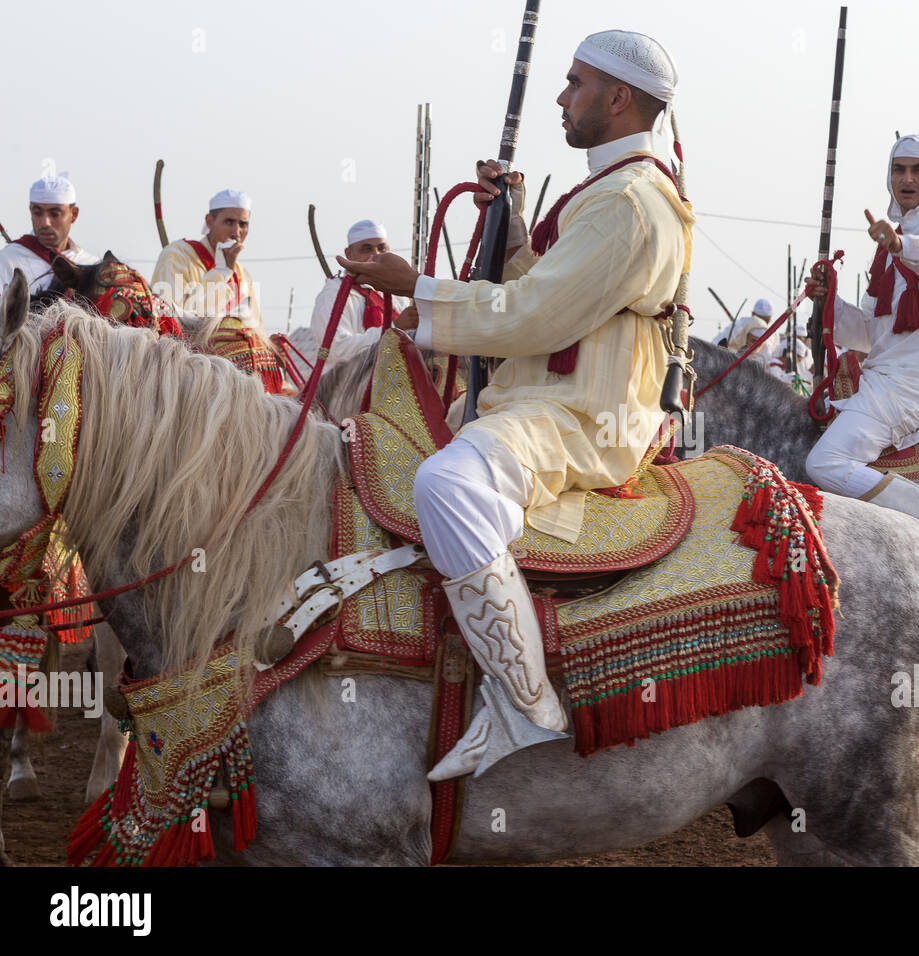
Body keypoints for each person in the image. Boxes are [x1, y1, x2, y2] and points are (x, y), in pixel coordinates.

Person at [337, 30, 693, 781]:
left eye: (574, 84)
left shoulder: (629, 202)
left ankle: (524, 701)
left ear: (618, 97)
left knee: (446, 483)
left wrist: (416, 286)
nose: (562, 98)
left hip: (582, 416)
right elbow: (546, 286)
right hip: (540, 399)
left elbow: (536, 315)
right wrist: (513, 222)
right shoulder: (605, 193)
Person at [802, 134, 919, 537]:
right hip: (883, 378)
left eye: (918, 169)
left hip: (917, 384)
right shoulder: (886, 246)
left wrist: (901, 244)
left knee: (823, 463)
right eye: (899, 169)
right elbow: (867, 335)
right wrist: (831, 302)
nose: (907, 178)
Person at [151, 189, 281, 392]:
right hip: (188, 377)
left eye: (243, 224)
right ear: (210, 221)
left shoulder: (243, 275)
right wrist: (221, 271)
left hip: (239, 380)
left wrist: (270, 349)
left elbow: (254, 328)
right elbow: (171, 321)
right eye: (229, 222)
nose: (237, 232)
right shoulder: (177, 255)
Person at [309, 220, 410, 368]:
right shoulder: (333, 295)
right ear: (349, 254)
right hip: (348, 386)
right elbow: (336, 349)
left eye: (382, 249)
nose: (376, 255)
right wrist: (395, 328)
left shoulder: (399, 293)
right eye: (366, 249)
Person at [0, 174, 98, 296]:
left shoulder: (91, 266)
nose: (45, 222)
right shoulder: (6, 260)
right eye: (37, 213)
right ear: (30, 211)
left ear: (74, 214)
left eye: (55, 214)